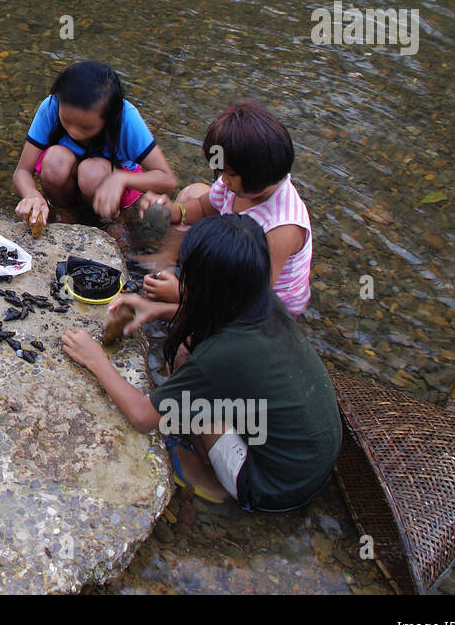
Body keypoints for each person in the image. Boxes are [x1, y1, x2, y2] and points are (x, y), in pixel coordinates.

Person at [62, 214, 342, 509]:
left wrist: (95, 359)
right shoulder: (263, 300)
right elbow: (214, 309)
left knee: (186, 360)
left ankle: (208, 472)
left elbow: (142, 417)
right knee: (186, 352)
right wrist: (153, 309)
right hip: (307, 461)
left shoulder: (224, 354)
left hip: (270, 485)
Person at [127, 100, 313, 326]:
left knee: (190, 344)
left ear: (255, 175)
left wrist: (184, 295)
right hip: (232, 260)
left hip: (262, 307)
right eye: (222, 170)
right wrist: (174, 211)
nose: (223, 179)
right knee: (193, 192)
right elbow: (205, 207)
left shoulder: (281, 228)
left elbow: (251, 299)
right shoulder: (237, 184)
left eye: (229, 174)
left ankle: (178, 305)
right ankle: (165, 261)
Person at [11, 61, 176, 231]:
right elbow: (22, 171)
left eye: (86, 128)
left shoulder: (126, 119)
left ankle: (108, 221)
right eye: (66, 120)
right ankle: (66, 212)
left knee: (91, 171)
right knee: (54, 159)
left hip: (107, 183)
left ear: (108, 118)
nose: (74, 132)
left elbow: (167, 180)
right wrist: (32, 194)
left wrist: (122, 178)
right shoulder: (51, 106)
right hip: (67, 182)